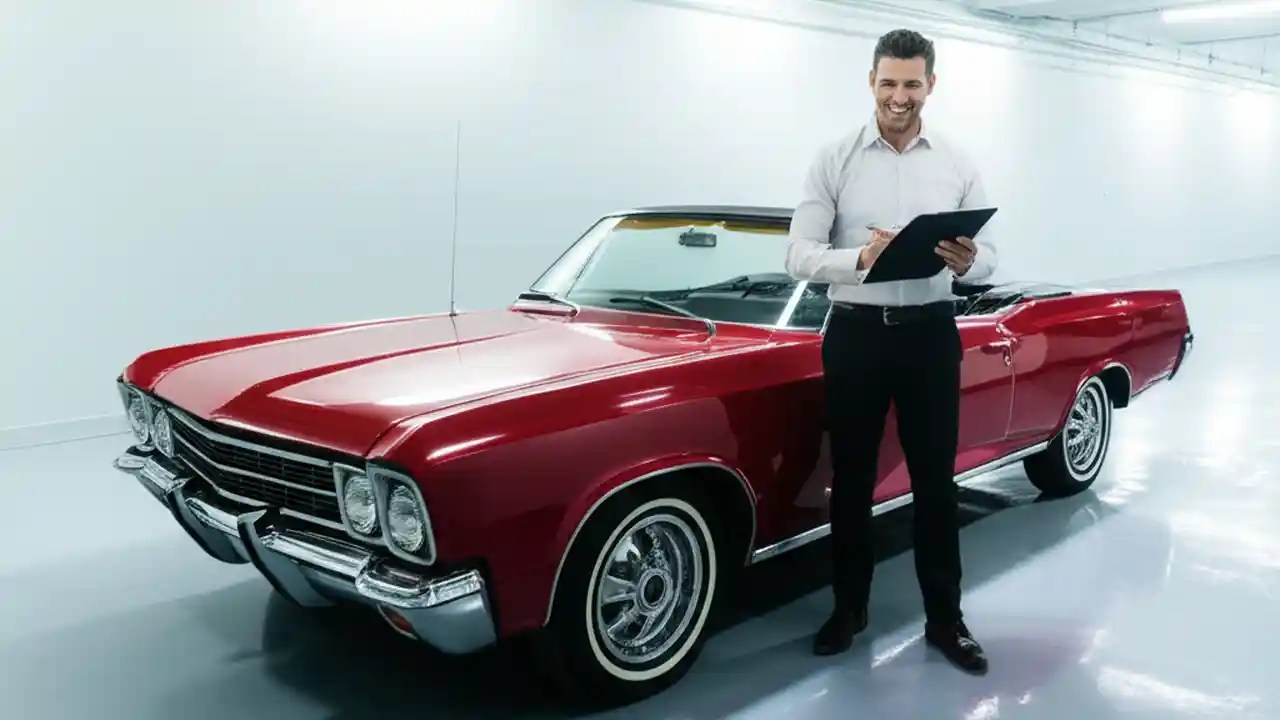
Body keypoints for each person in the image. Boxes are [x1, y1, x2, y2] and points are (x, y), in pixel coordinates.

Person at [784, 28, 997, 674]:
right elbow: (797, 255)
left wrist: (971, 261)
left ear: (931, 84)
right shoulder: (834, 158)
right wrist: (861, 258)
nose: (899, 96)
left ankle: (946, 620)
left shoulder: (957, 161)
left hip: (932, 333)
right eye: (888, 83)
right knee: (851, 481)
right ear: (870, 83)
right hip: (856, 333)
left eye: (911, 84)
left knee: (937, 483)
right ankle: (849, 609)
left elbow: (991, 260)